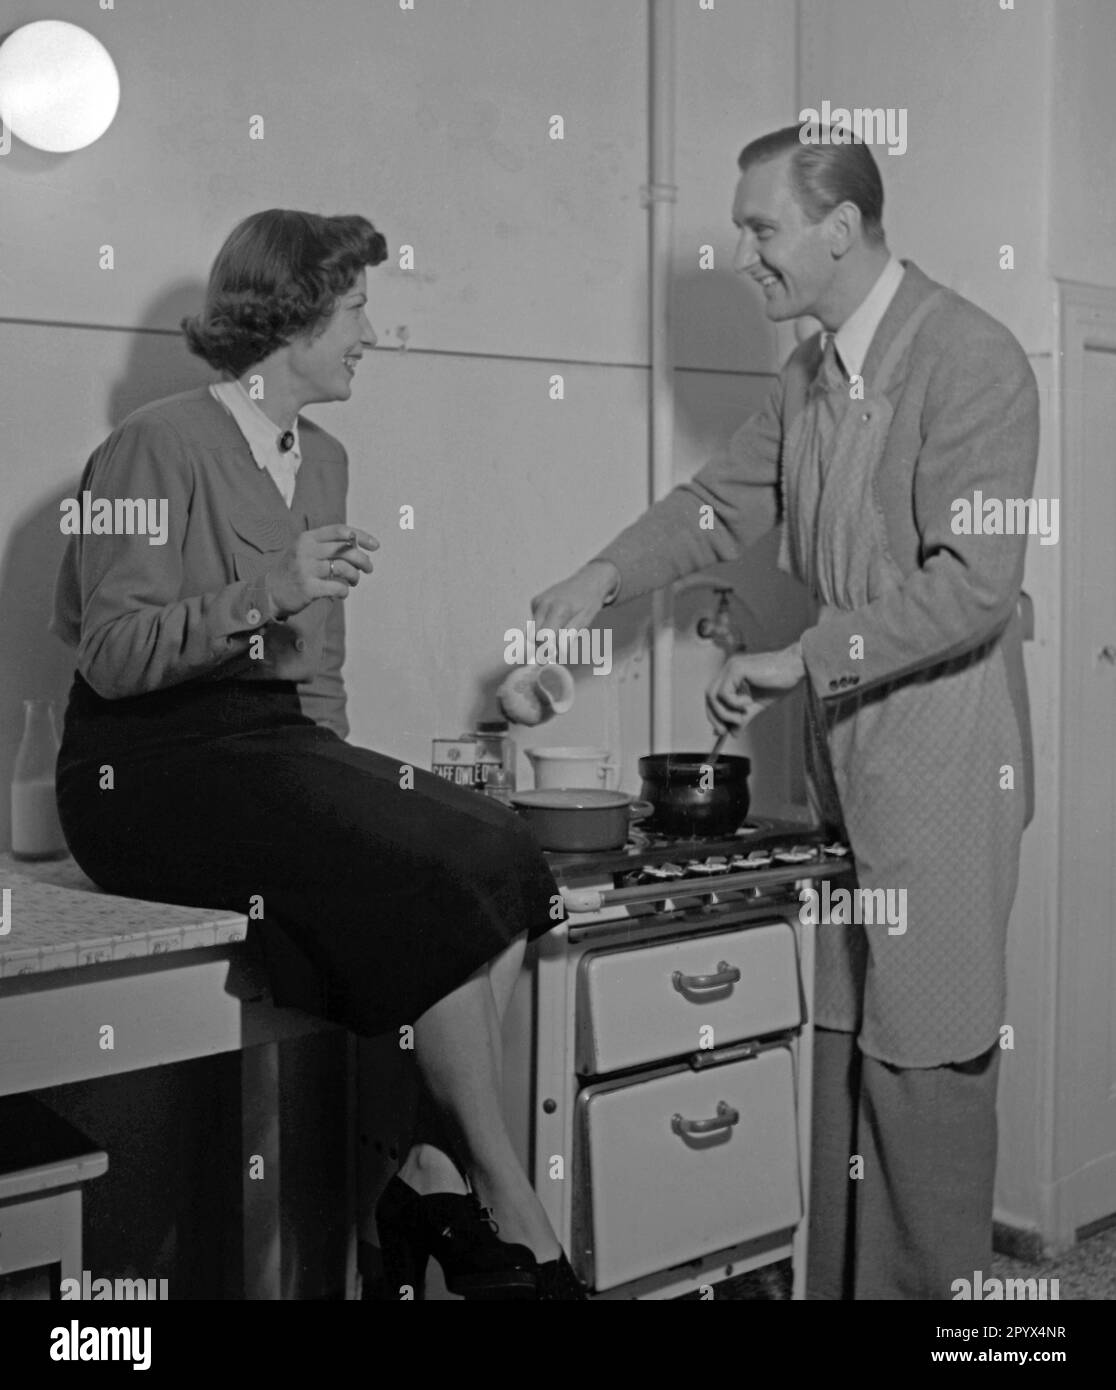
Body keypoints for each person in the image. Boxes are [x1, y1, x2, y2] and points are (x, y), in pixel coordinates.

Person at [533, 126, 1039, 1300]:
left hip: (948, 761)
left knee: (926, 1066)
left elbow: (974, 583)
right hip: (848, 760)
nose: (745, 255)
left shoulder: (968, 356)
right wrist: (602, 579)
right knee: (835, 1047)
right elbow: (718, 507)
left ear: (841, 228)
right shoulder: (811, 374)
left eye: (761, 230)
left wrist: (797, 659)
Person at [50, 208, 583, 1301]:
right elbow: (109, 653)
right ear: (290, 315)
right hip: (149, 767)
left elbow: (317, 678)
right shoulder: (158, 443)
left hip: (275, 751)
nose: (370, 333)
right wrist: (269, 588)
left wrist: (354, 803)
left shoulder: (324, 459)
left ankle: (428, 1168)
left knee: (499, 848)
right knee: (437, 863)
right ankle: (501, 1191)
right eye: (354, 309)